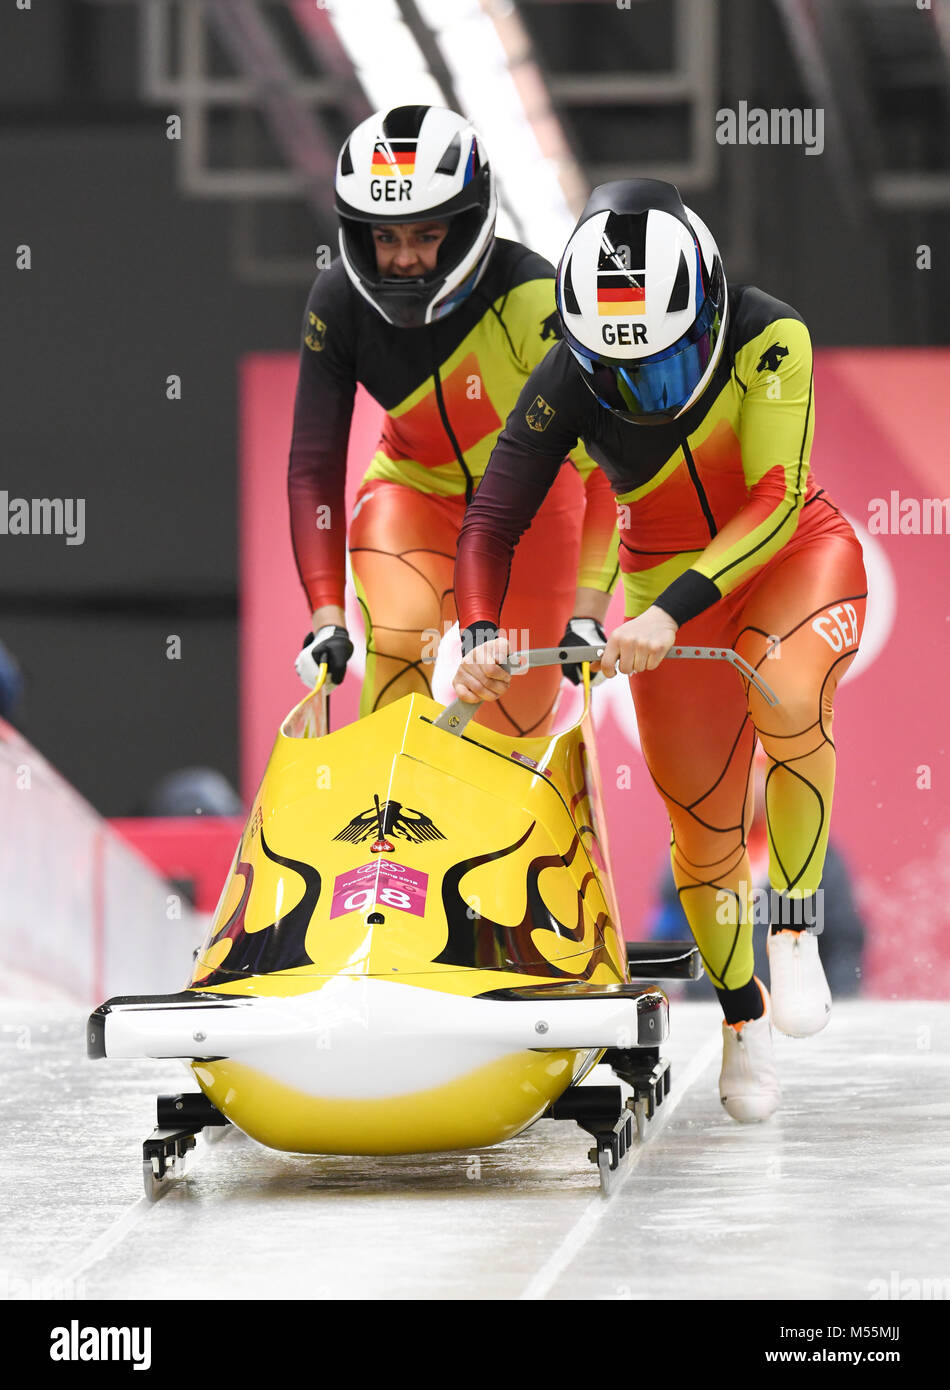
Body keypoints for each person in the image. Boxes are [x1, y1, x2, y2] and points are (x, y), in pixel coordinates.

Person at [451, 178, 868, 1123]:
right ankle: (741, 1017)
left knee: (788, 690)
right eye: (620, 371)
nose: (647, 392)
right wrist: (476, 630)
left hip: (793, 557)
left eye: (668, 365)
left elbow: (776, 497)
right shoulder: (565, 377)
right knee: (703, 827)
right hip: (663, 592)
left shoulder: (772, 336)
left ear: (707, 312)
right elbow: (491, 518)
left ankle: (794, 925)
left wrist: (670, 610)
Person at [288, 104, 618, 737]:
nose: (405, 259)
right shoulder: (337, 300)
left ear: (466, 225)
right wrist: (326, 614)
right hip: (413, 492)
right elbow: (314, 466)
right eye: (385, 238)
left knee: (508, 728)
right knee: (401, 633)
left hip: (531, 519)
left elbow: (608, 463)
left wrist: (588, 610)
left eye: (425, 234)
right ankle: (382, 793)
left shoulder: (531, 298)